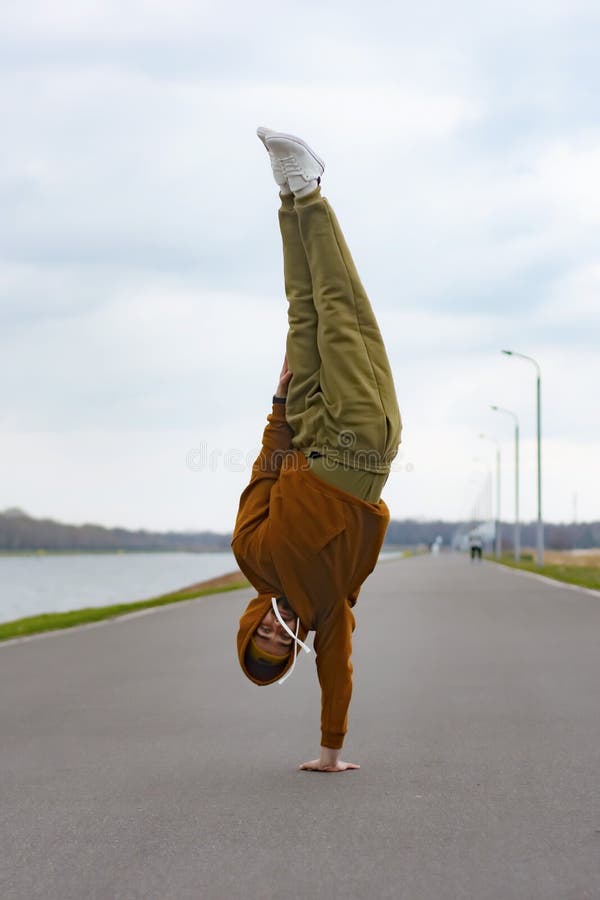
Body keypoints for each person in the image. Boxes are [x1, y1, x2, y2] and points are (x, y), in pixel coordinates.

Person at [231, 128, 402, 772]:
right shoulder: (330, 610)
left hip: (303, 431)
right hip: (361, 444)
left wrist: (278, 408)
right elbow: (340, 675)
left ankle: (287, 199)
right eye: (282, 646)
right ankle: (312, 191)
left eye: (263, 638)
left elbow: (262, 476)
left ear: (252, 626)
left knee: (302, 315)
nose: (277, 634)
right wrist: (331, 753)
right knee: (340, 308)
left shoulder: (249, 553)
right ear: (298, 646)